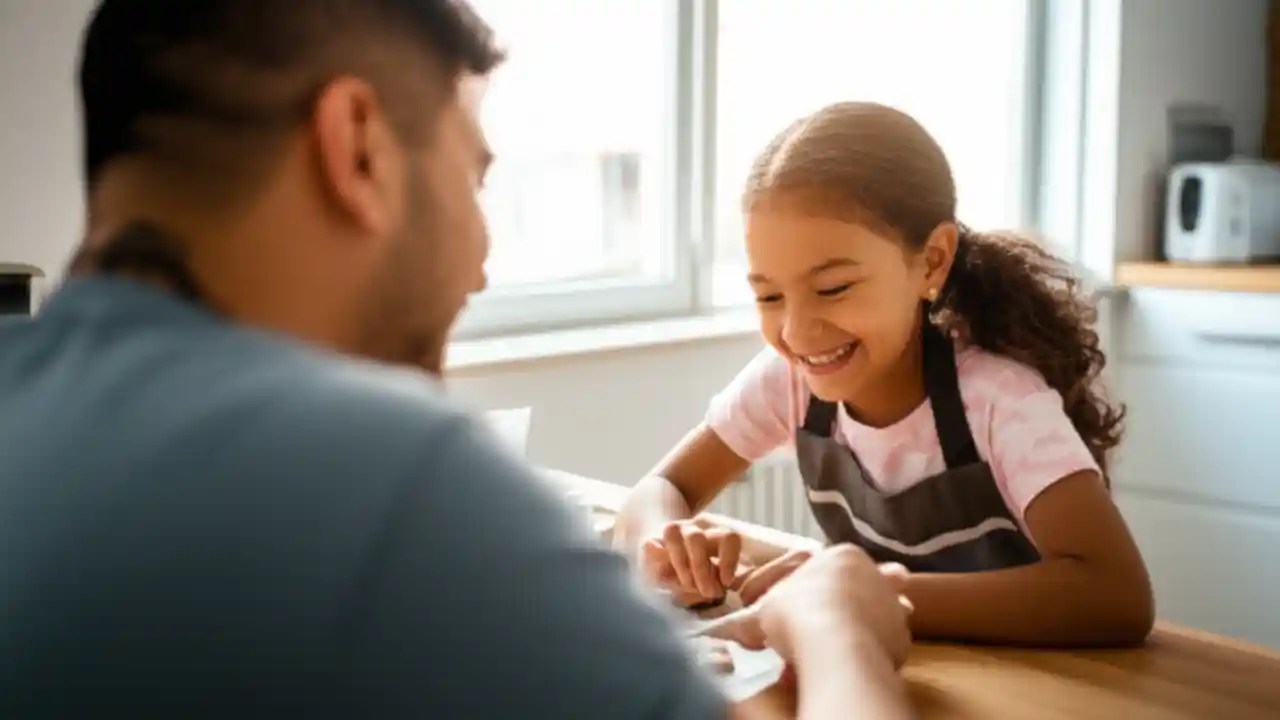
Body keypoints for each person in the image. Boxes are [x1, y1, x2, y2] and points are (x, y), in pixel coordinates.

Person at [0, 1, 914, 717]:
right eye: (473, 179)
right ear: (356, 146)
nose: (480, 259)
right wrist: (838, 627)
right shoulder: (381, 478)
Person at [616, 102, 1157, 647]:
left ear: (931, 262)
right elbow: (658, 489)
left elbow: (1116, 596)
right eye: (769, 295)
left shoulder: (999, 400)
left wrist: (862, 591)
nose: (798, 332)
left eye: (833, 289)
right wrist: (668, 544)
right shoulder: (789, 382)